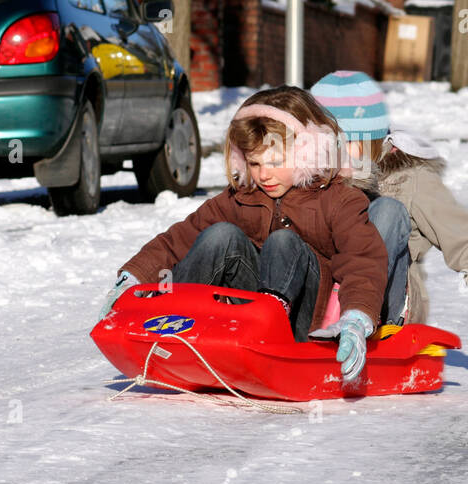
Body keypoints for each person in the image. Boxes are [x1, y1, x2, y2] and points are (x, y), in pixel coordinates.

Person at [99, 86, 387, 383]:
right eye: (254, 163)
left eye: (275, 162)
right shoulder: (242, 197)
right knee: (219, 236)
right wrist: (132, 278)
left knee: (283, 241)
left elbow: (363, 261)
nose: (264, 175)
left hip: (300, 321)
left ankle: (266, 333)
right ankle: (169, 326)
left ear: (309, 153)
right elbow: (178, 240)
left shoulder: (338, 200)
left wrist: (356, 317)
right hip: (246, 317)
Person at [310, 71, 468, 395]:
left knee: (384, 214)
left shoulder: (408, 180)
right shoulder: (306, 173)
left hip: (388, 305)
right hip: (319, 290)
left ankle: (352, 320)